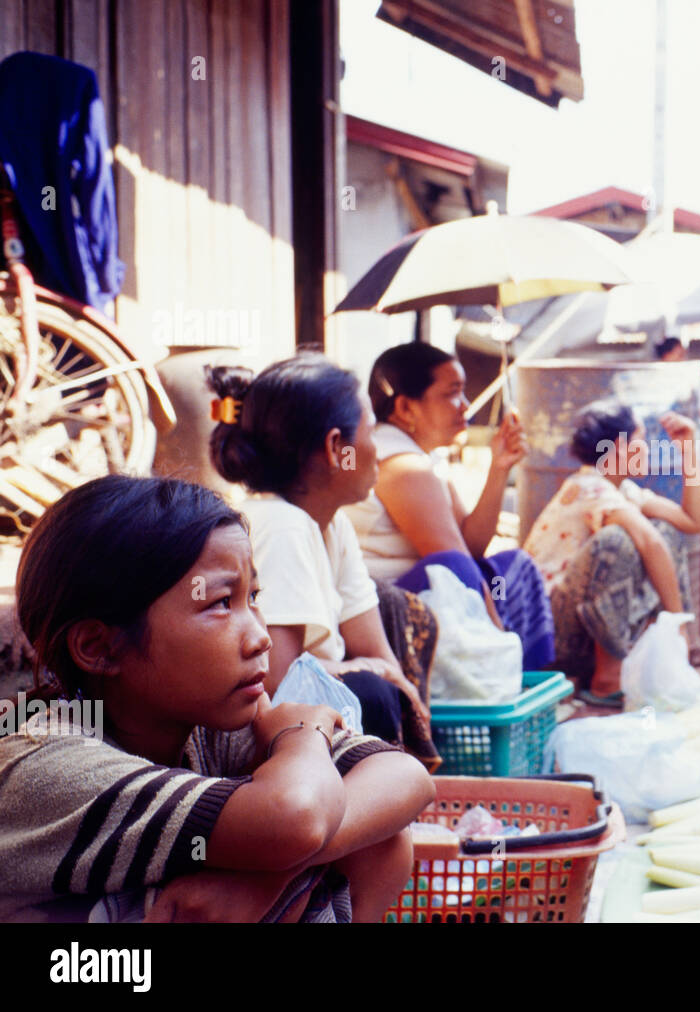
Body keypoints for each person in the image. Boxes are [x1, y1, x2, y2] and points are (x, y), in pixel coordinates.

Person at [0, 475, 435, 922]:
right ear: (100, 647)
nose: (261, 637)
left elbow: (406, 777)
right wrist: (304, 733)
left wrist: (262, 879)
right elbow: (296, 817)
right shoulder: (48, 765)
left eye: (254, 597)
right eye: (221, 603)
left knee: (382, 839)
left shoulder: (204, 720)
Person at [207, 355, 435, 759]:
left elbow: (378, 652)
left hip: (307, 716)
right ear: (336, 448)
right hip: (259, 732)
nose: (377, 450)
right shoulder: (281, 525)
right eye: (370, 433)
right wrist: (378, 674)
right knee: (372, 693)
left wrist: (391, 678)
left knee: (390, 658)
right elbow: (275, 680)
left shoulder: (331, 524)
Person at [346, 343, 554, 671]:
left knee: (514, 565)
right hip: (388, 613)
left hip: (420, 599)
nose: (466, 406)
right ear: (404, 407)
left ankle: (519, 674)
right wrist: (497, 641)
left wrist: (499, 467)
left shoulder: (421, 458)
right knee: (467, 571)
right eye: (452, 393)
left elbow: (471, 545)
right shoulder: (402, 465)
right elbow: (458, 566)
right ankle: (511, 677)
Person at [522, 403, 700, 706]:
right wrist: (679, 626)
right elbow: (650, 542)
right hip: (549, 635)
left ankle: (646, 660)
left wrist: (689, 449)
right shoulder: (588, 486)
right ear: (620, 446)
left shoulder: (624, 491)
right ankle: (608, 677)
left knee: (666, 531)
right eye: (642, 439)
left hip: (577, 629)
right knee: (619, 540)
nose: (648, 449)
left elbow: (692, 522)